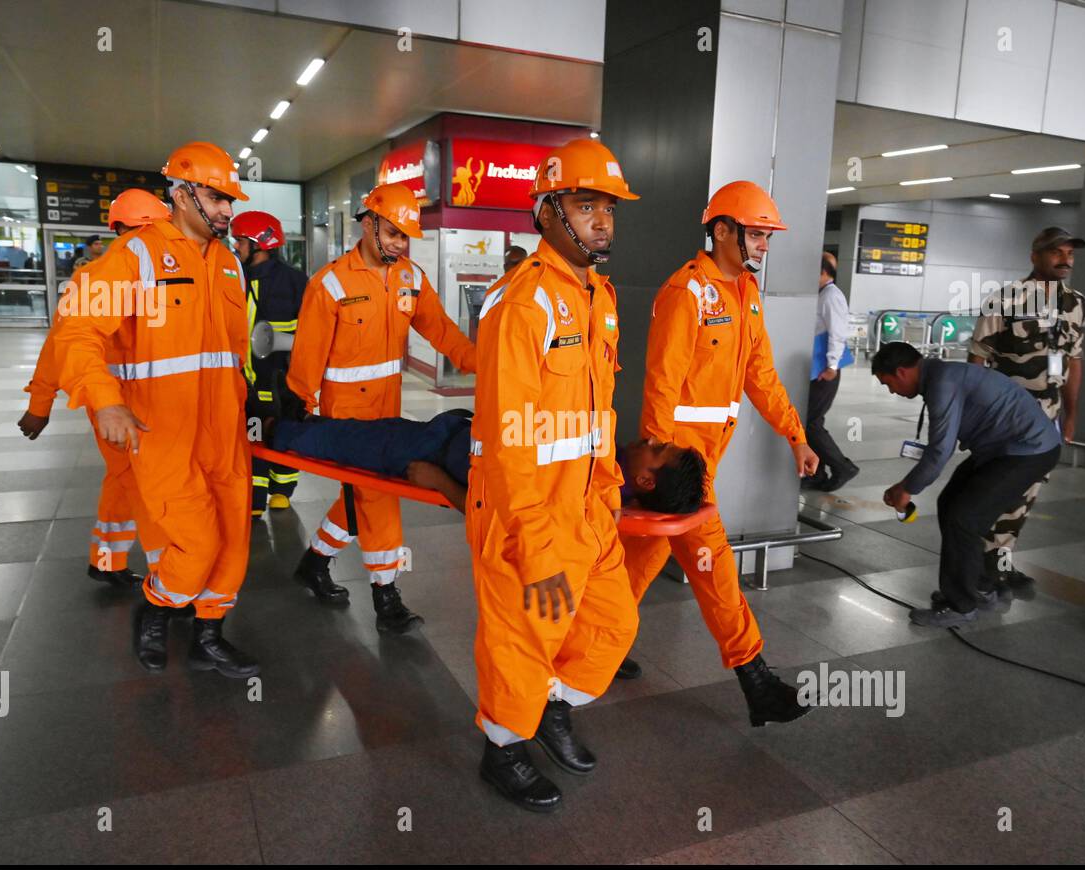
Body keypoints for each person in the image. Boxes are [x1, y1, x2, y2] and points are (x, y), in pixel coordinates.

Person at [465, 138, 641, 813]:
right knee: (521, 638)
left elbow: (595, 412)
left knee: (611, 626)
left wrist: (607, 496)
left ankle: (552, 707)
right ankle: (503, 749)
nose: (603, 220)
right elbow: (507, 439)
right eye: (587, 204)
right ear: (546, 211)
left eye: (610, 208)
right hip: (526, 512)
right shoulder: (521, 303)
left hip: (589, 508)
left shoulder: (597, 295)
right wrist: (536, 543)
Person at [615, 180, 818, 724]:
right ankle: (758, 684)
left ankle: (597, 650)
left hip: (702, 461)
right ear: (721, 230)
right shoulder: (687, 293)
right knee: (716, 572)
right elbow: (661, 385)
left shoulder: (745, 295)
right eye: (757, 234)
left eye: (768, 237)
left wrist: (795, 435)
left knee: (634, 568)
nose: (764, 247)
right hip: (681, 468)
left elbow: (762, 375)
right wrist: (657, 475)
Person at [57, 141, 259, 678]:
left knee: (235, 539)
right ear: (182, 192)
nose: (226, 210)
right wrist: (105, 401)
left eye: (229, 201)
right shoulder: (137, 255)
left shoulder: (229, 264)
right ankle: (156, 607)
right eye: (217, 198)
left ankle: (209, 635)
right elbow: (77, 328)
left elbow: (232, 353)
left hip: (224, 431)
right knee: (195, 541)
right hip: (163, 432)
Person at [287, 182, 476, 633]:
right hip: (345, 414)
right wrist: (300, 415)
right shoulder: (330, 284)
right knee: (377, 494)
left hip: (387, 408)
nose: (399, 244)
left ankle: (315, 562)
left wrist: (489, 370)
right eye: (392, 232)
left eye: (405, 236)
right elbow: (307, 356)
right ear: (368, 223)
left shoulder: (410, 278)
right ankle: (385, 595)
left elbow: (445, 334)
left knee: (361, 491)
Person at [263, 373, 706, 516]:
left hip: (434, 456)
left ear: (646, 479)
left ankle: (272, 431)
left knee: (347, 444)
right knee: (355, 434)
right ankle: (299, 422)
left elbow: (502, 514)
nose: (650, 437)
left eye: (658, 449)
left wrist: (440, 482)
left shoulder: (593, 495)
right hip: (453, 433)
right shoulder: (606, 461)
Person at [18, 189, 175, 588]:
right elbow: (65, 343)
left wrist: (42, 404)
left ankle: (107, 560)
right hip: (116, 402)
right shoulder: (100, 276)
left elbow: (58, 344)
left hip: (144, 402)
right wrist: (40, 402)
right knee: (141, 482)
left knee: (124, 478)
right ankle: (170, 579)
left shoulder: (147, 275)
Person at [873, 343, 1062, 626]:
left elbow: (940, 451)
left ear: (901, 371)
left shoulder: (942, 383)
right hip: (1000, 450)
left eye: (888, 384)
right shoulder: (941, 375)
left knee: (964, 518)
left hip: (1027, 451)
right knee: (950, 502)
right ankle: (981, 588)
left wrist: (906, 489)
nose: (891, 391)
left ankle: (960, 605)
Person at [969, 226, 1085, 596]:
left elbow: (1073, 360)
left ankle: (999, 564)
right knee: (997, 493)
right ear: (1034, 256)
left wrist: (1070, 414)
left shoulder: (1077, 303)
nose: (1065, 259)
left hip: (1046, 420)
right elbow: (978, 360)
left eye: (1069, 252)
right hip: (1006, 418)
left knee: (1026, 496)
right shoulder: (1004, 300)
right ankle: (980, 567)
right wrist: (974, 417)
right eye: (1056, 252)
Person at [230, 210, 305, 517]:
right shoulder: (235, 279)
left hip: (285, 378)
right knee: (254, 434)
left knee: (286, 432)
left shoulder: (296, 282)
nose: (236, 247)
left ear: (260, 243)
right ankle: (256, 498)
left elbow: (312, 333)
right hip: (247, 379)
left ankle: (282, 490)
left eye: (240, 242)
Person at [805, 251, 857, 491]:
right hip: (817, 368)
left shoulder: (832, 296)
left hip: (825, 370)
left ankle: (842, 467)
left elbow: (838, 333)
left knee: (811, 423)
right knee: (812, 420)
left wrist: (832, 366)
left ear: (824, 272)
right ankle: (817, 473)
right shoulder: (823, 294)